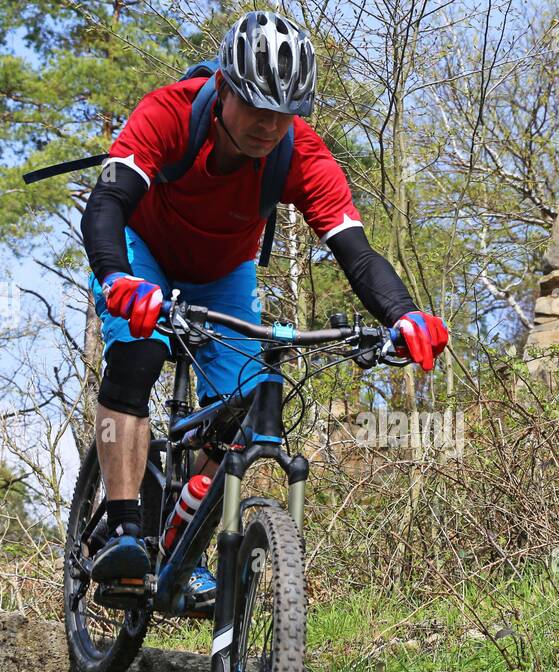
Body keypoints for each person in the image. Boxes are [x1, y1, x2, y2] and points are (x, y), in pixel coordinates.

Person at [80, 10, 447, 591]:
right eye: (257, 106)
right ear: (224, 87)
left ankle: (179, 534)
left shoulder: (301, 153)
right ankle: (124, 529)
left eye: (285, 114)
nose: (270, 126)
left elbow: (356, 251)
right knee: (139, 353)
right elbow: (105, 205)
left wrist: (404, 315)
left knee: (239, 413)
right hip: (142, 248)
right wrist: (116, 278)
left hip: (224, 272)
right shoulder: (170, 112)